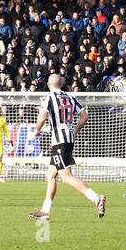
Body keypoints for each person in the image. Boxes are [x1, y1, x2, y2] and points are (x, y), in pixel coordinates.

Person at [27, 74, 103, 221]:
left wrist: (36, 130)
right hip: (67, 138)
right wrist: (74, 131)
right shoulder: (69, 97)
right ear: (61, 83)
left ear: (49, 84)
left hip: (59, 140)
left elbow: (42, 117)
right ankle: (45, 211)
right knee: (50, 175)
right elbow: (84, 116)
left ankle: (96, 198)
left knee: (66, 177)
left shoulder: (49, 97)